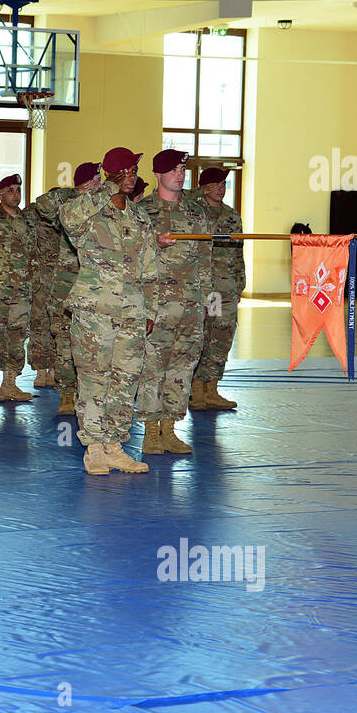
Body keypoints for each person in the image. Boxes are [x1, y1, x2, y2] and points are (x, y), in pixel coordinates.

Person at [57, 148, 168, 475]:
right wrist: (108, 186)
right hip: (95, 314)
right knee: (94, 380)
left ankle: (115, 446)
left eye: (135, 170)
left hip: (132, 315)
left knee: (125, 382)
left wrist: (152, 310)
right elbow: (67, 217)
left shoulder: (139, 218)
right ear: (113, 174)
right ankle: (93, 448)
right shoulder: (87, 213)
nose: (133, 176)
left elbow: (150, 271)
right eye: (127, 170)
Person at [133, 149, 212, 455]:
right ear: (158, 174)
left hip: (190, 304)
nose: (180, 174)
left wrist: (205, 300)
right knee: (153, 367)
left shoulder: (196, 213)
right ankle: (150, 432)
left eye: (182, 168)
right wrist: (154, 242)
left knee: (182, 367)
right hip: (157, 305)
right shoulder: (142, 211)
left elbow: (205, 259)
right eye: (174, 169)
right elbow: (129, 256)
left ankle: (170, 430)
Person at [33, 169, 96, 418]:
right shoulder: (69, 209)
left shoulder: (102, 208)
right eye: (93, 179)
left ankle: (86, 394)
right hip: (66, 286)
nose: (97, 184)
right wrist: (77, 191)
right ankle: (67, 394)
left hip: (95, 287)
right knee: (63, 343)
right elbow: (43, 204)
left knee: (91, 345)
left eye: (99, 180)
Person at [189, 167, 244, 411]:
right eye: (216, 184)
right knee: (202, 335)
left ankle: (212, 387)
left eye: (224, 184)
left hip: (225, 287)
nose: (221, 189)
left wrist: (240, 283)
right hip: (202, 286)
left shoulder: (231, 216)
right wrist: (198, 192)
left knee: (222, 336)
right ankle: (195, 389)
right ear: (204, 187)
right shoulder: (193, 211)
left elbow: (238, 252)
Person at [0, 173, 33, 403]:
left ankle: (10, 384)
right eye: (10, 190)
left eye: (18, 190)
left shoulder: (28, 220)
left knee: (17, 337)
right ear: (1, 194)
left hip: (21, 290)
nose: (15, 194)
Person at [23, 189, 60, 390]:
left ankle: (55, 368)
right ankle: (40, 369)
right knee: (38, 324)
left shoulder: (68, 213)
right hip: (38, 278)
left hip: (61, 278)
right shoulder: (32, 213)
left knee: (58, 325)